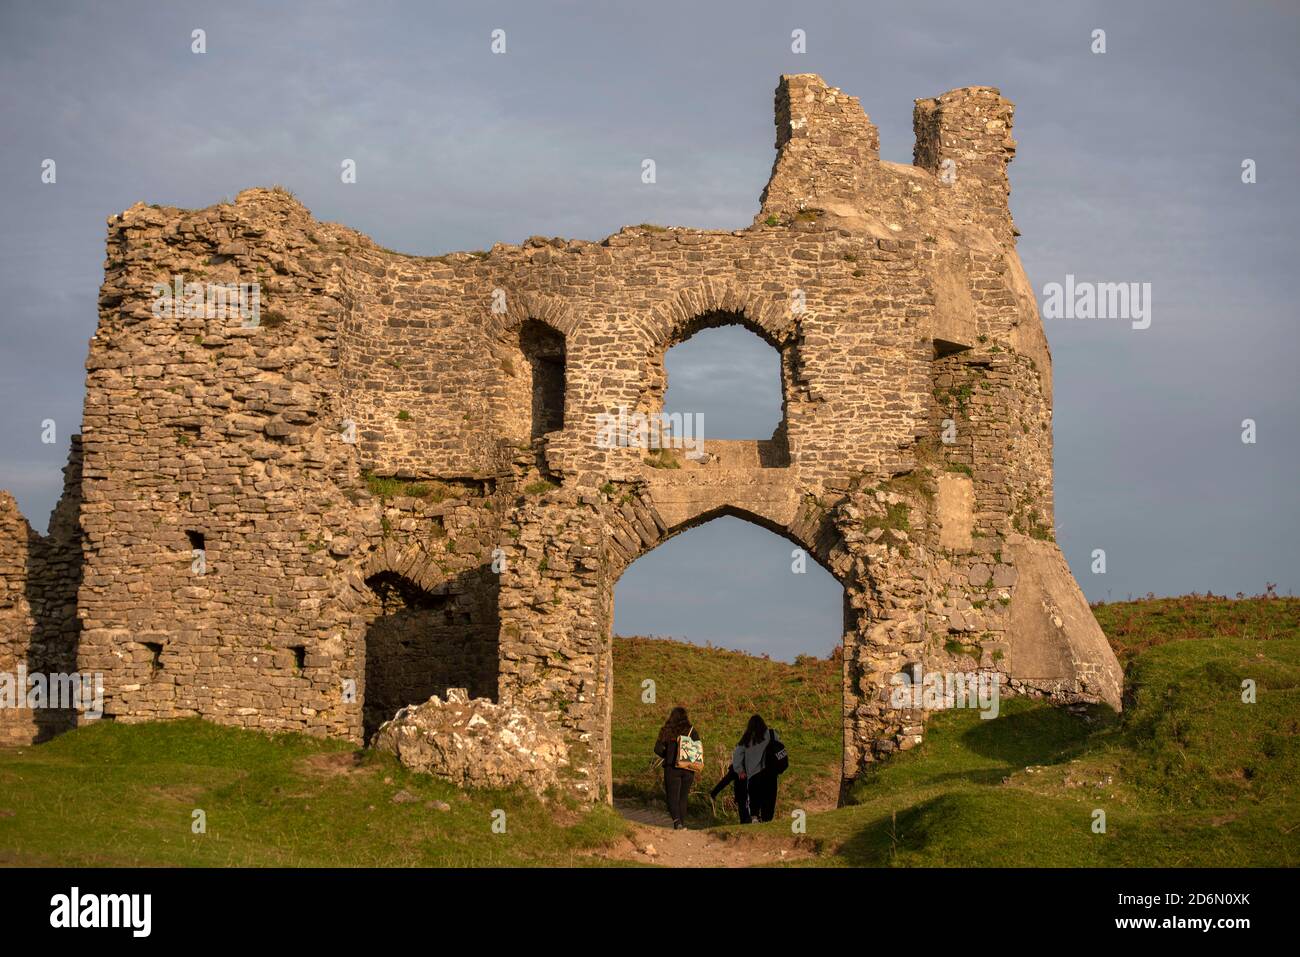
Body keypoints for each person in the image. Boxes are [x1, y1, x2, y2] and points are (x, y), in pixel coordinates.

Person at [653, 706, 700, 829]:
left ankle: (677, 823)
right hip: (688, 768)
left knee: (672, 798)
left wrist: (668, 755)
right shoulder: (691, 730)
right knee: (683, 798)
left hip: (672, 768)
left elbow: (657, 749)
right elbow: (697, 748)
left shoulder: (667, 730)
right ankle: (682, 825)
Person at [731, 714, 782, 823]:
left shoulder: (747, 738)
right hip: (771, 774)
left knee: (754, 799)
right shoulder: (772, 734)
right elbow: (780, 748)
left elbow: (737, 754)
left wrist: (740, 770)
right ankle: (766, 819)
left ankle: (754, 818)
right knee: (769, 799)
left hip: (754, 774)